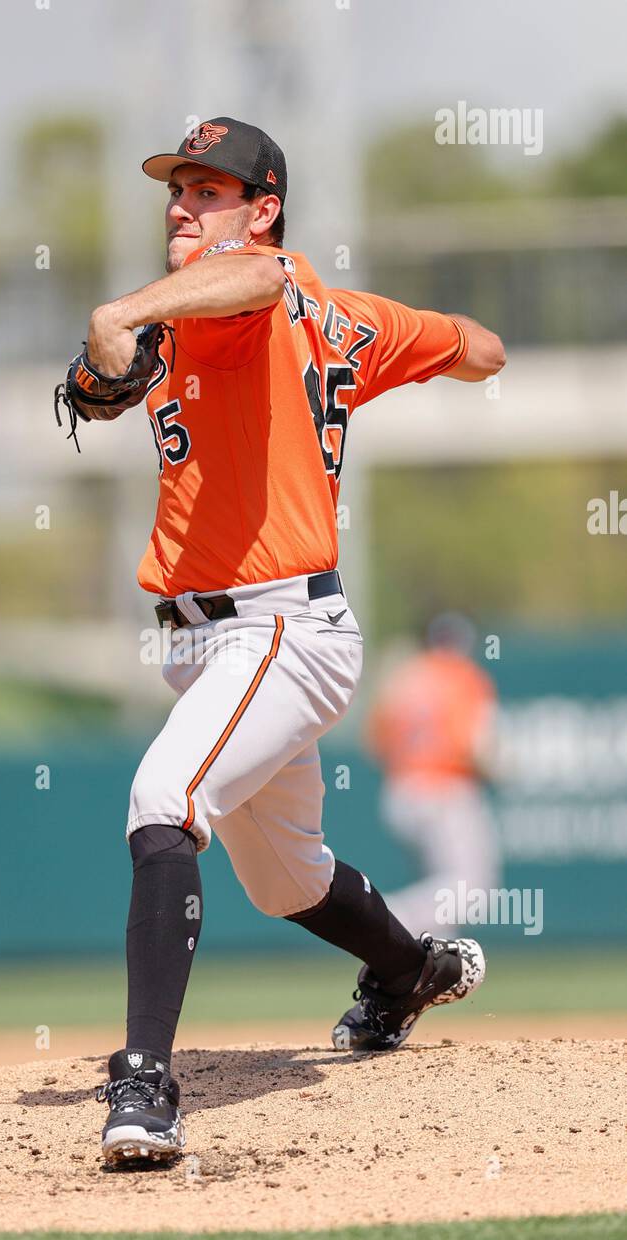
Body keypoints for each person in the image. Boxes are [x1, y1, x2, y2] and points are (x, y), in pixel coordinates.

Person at [83, 117, 506, 1164]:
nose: (182, 203)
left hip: (278, 626)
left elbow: (259, 287)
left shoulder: (251, 293)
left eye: (208, 189)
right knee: (284, 881)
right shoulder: (337, 317)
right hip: (210, 638)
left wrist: (122, 311)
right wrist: (425, 346)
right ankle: (410, 970)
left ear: (262, 209)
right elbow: (477, 345)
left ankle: (142, 1084)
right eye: (175, 188)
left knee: (162, 801)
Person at [357, 614, 500, 941]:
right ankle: (390, 916)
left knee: (444, 886)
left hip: (402, 792)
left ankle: (430, 965)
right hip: (446, 789)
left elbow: (374, 742)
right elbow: (477, 748)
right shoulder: (462, 676)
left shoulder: (404, 677)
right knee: (472, 890)